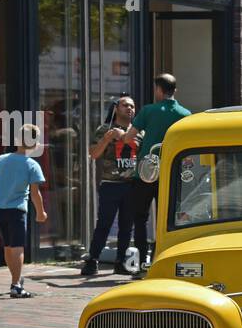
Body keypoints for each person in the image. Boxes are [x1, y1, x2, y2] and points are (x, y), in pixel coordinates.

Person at [122, 74, 190, 274]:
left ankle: (143, 262)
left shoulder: (149, 111)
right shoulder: (185, 114)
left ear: (159, 89)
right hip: (171, 173)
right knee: (167, 219)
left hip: (145, 172)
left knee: (140, 217)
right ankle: (163, 259)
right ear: (174, 90)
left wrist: (131, 138)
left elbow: (128, 138)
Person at [81, 95, 139, 277]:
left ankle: (121, 261)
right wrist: (106, 140)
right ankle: (92, 260)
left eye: (132, 106)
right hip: (110, 184)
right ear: (116, 108)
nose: (129, 108)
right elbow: (93, 154)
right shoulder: (105, 129)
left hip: (131, 185)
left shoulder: (139, 131)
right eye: (125, 105)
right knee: (104, 224)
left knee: (127, 226)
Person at [0, 138, 47, 298]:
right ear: (35, 144)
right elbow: (35, 193)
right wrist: (41, 212)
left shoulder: (2, 159)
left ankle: (15, 279)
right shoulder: (32, 165)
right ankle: (16, 285)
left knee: (8, 246)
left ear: (18, 140)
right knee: (17, 247)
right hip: (17, 210)